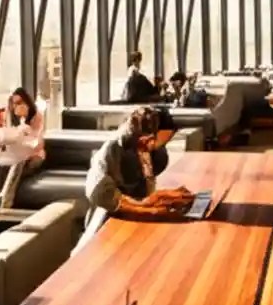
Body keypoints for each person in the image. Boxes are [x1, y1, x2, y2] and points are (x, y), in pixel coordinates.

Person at [76, 107, 195, 249]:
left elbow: (145, 188)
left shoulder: (149, 150)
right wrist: (149, 209)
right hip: (110, 222)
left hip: (138, 221)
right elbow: (97, 191)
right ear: (147, 138)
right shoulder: (113, 148)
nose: (162, 144)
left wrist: (162, 196)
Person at [0, 87, 46, 210]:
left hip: (31, 156)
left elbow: (37, 143)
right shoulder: (4, 117)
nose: (18, 106)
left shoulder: (36, 116)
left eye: (21, 102)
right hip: (9, 155)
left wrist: (25, 127)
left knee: (18, 163)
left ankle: (5, 200)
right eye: (14, 103)